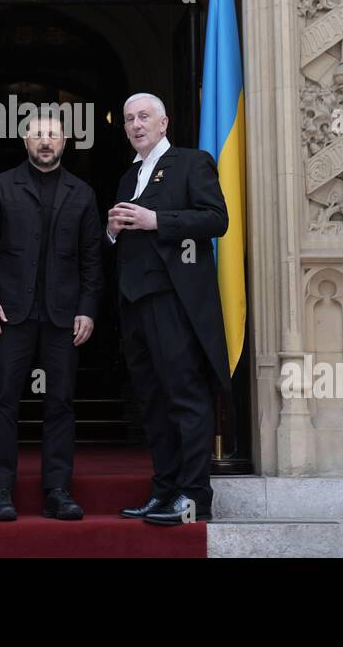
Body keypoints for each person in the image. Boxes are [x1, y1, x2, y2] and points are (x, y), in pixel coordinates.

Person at [0, 112, 103, 522]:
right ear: (25, 140)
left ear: (66, 141)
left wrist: (88, 308)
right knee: (3, 404)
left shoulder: (82, 193)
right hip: (10, 314)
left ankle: (58, 491)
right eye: (38, 135)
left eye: (53, 135)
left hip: (64, 317)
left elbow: (92, 259)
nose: (45, 142)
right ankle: (1, 492)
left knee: (60, 404)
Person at [106, 92, 230, 526]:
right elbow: (124, 239)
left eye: (144, 117)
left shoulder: (192, 162)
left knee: (185, 398)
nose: (136, 124)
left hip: (175, 302)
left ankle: (195, 498)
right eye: (129, 119)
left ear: (163, 123)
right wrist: (112, 230)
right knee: (153, 403)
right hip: (136, 305)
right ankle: (164, 492)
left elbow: (217, 219)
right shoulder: (128, 178)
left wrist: (157, 221)